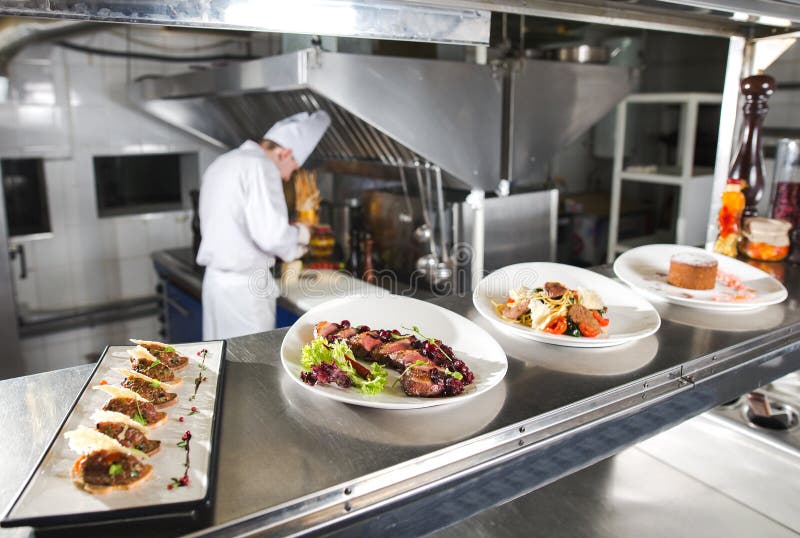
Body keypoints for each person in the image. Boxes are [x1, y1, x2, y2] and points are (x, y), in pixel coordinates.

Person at [196, 111, 331, 340]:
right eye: (293, 166)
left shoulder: (223, 161)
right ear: (284, 152)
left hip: (214, 283)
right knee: (249, 366)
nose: (288, 177)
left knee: (218, 361)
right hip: (246, 290)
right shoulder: (261, 166)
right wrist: (302, 233)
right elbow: (273, 236)